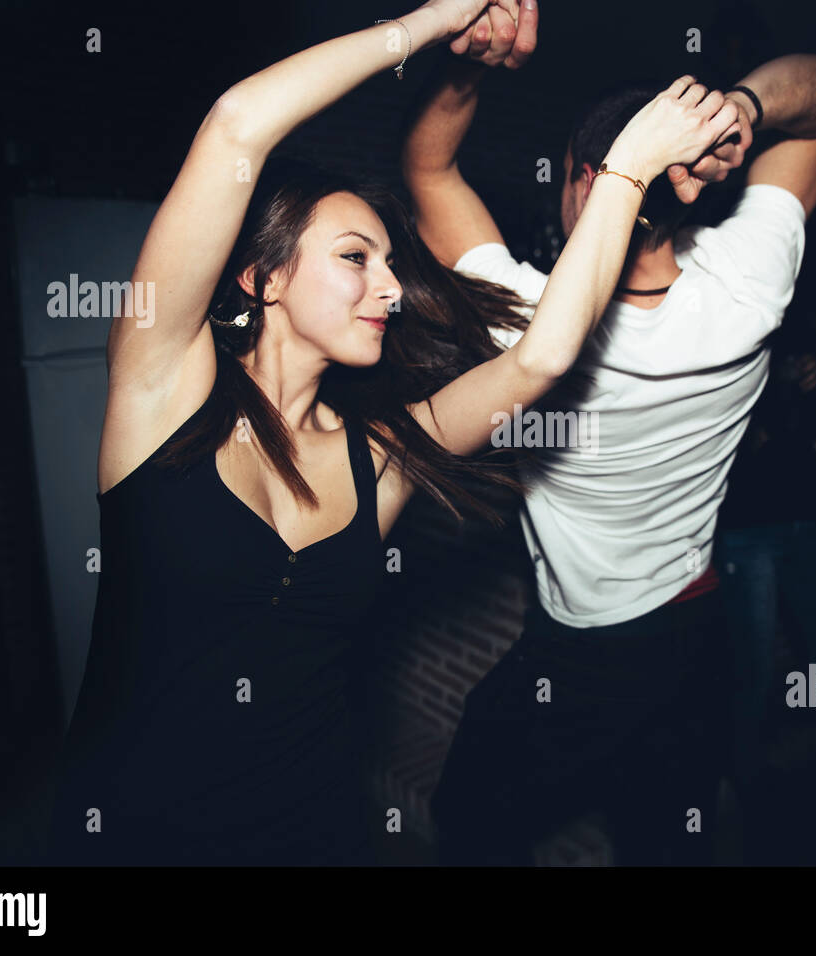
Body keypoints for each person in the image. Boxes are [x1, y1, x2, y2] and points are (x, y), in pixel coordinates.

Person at [45, 0, 741, 866]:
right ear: (262, 276)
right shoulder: (161, 392)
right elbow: (235, 127)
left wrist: (627, 174)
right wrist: (430, 21)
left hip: (313, 832)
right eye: (354, 258)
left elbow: (541, 359)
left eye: (389, 263)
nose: (393, 288)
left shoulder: (386, 453)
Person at [405, 8, 816, 864]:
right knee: (666, 836)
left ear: (586, 182)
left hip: (584, 653)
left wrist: (467, 70)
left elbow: (429, 168)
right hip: (700, 627)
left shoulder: (528, 330)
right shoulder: (750, 284)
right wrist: (741, 110)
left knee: (470, 819)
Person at [714, 323, 816, 861]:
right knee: (750, 666)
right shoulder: (714, 355)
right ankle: (748, 791)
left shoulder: (790, 343)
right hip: (747, 529)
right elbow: (732, 443)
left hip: (811, 519)